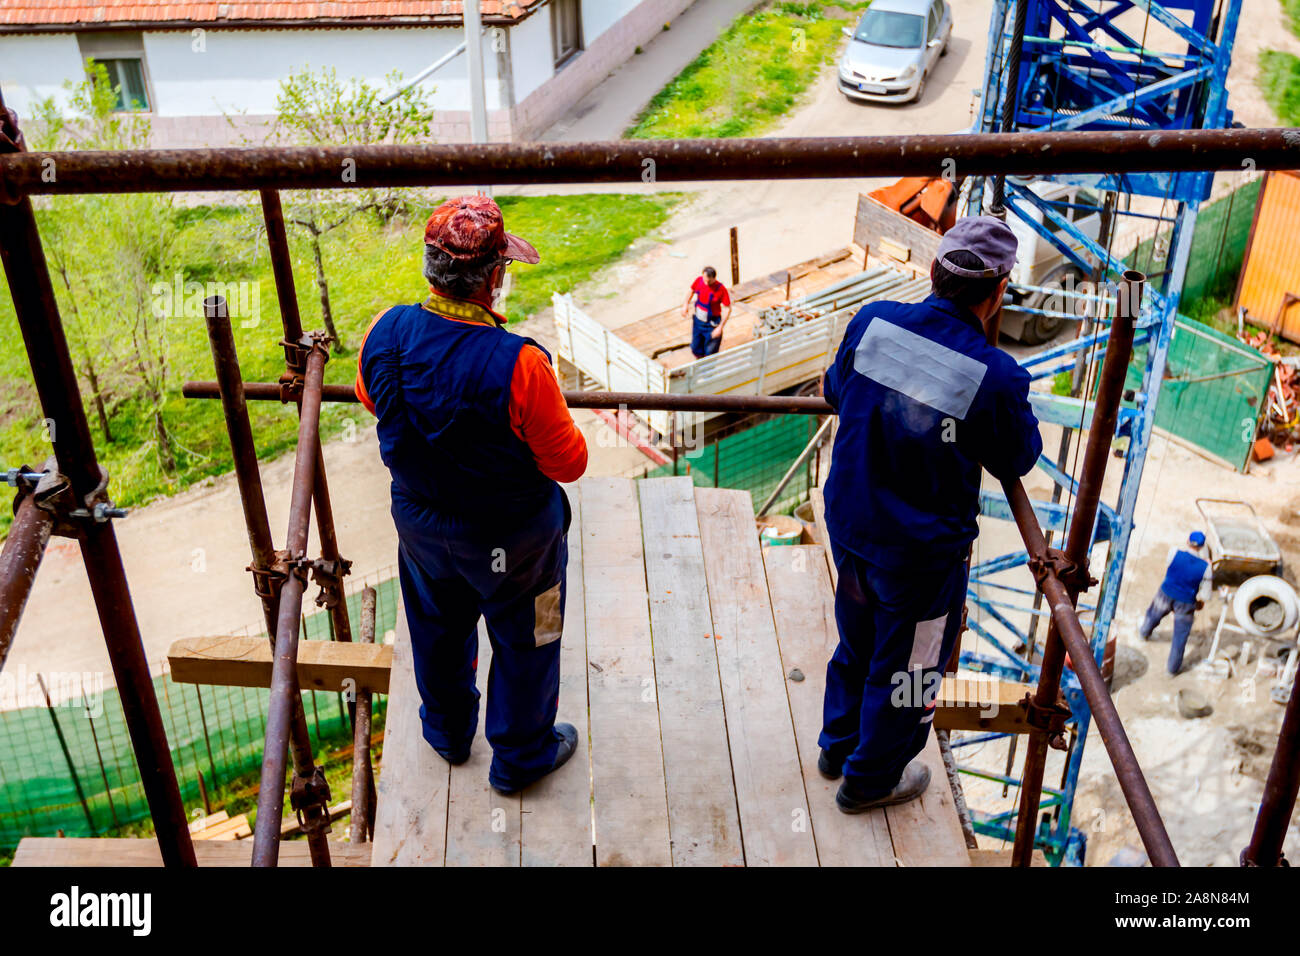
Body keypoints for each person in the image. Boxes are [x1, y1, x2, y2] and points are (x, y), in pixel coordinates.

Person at [355, 195, 589, 795]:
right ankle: (520, 756)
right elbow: (570, 462)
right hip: (518, 549)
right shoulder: (521, 365)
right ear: (492, 278)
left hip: (424, 533)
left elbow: (373, 400)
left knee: (436, 628)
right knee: (531, 639)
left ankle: (449, 733)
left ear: (431, 268)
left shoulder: (385, 333)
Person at [818, 216, 1043, 814]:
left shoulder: (874, 322)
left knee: (856, 641)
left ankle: (836, 746)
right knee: (912, 673)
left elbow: (834, 390)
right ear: (997, 293)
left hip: (852, 528)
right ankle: (869, 780)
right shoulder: (993, 377)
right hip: (918, 560)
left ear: (935, 272)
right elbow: (1017, 456)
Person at [1140, 531, 1212, 675]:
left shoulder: (1174, 553)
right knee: (1180, 636)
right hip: (1186, 602)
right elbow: (1206, 595)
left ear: (1187, 541)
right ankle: (1172, 670)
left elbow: (1170, 566)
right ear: (1202, 546)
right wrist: (1206, 564)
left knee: (1153, 615)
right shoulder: (1206, 567)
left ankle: (1144, 633)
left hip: (1166, 593)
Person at [682, 266, 732, 358]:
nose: (706, 283)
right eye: (704, 280)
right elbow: (691, 290)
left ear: (714, 278)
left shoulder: (721, 289)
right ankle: (699, 362)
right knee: (696, 348)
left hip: (712, 325)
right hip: (698, 321)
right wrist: (685, 304)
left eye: (708, 281)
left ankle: (708, 369)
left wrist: (720, 327)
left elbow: (727, 308)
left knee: (710, 352)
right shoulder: (699, 281)